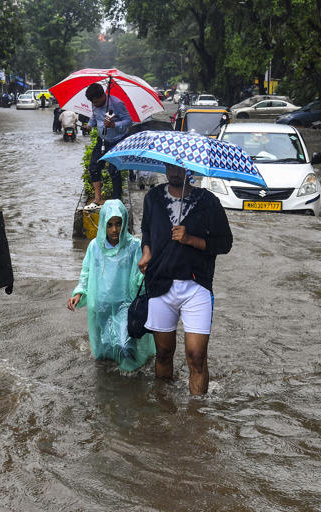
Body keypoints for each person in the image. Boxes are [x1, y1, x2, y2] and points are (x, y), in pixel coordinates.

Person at [138, 163, 233, 395]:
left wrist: (190, 239)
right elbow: (147, 232)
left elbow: (225, 243)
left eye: (180, 168)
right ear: (164, 167)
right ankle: (163, 408)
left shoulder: (208, 202)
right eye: (170, 167)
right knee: (163, 352)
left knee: (197, 357)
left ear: (189, 170)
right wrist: (146, 252)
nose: (174, 173)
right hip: (160, 284)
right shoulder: (152, 198)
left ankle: (197, 417)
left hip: (196, 286)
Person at [67, 200, 155, 372]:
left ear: (124, 223)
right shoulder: (95, 247)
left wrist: (144, 273)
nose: (115, 230)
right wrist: (78, 294)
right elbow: (86, 273)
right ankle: (108, 376)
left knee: (124, 343)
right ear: (103, 225)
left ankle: (128, 377)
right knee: (104, 345)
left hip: (125, 304)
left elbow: (139, 277)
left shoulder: (133, 246)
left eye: (118, 224)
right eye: (110, 225)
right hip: (101, 305)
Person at [81, 83, 132, 209]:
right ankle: (97, 199)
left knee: (113, 171)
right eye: (92, 102)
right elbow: (95, 117)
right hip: (102, 140)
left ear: (103, 96)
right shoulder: (94, 104)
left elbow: (128, 121)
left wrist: (115, 125)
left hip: (117, 140)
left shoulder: (117, 103)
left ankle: (116, 202)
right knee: (94, 167)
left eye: (96, 101)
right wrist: (89, 125)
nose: (94, 104)